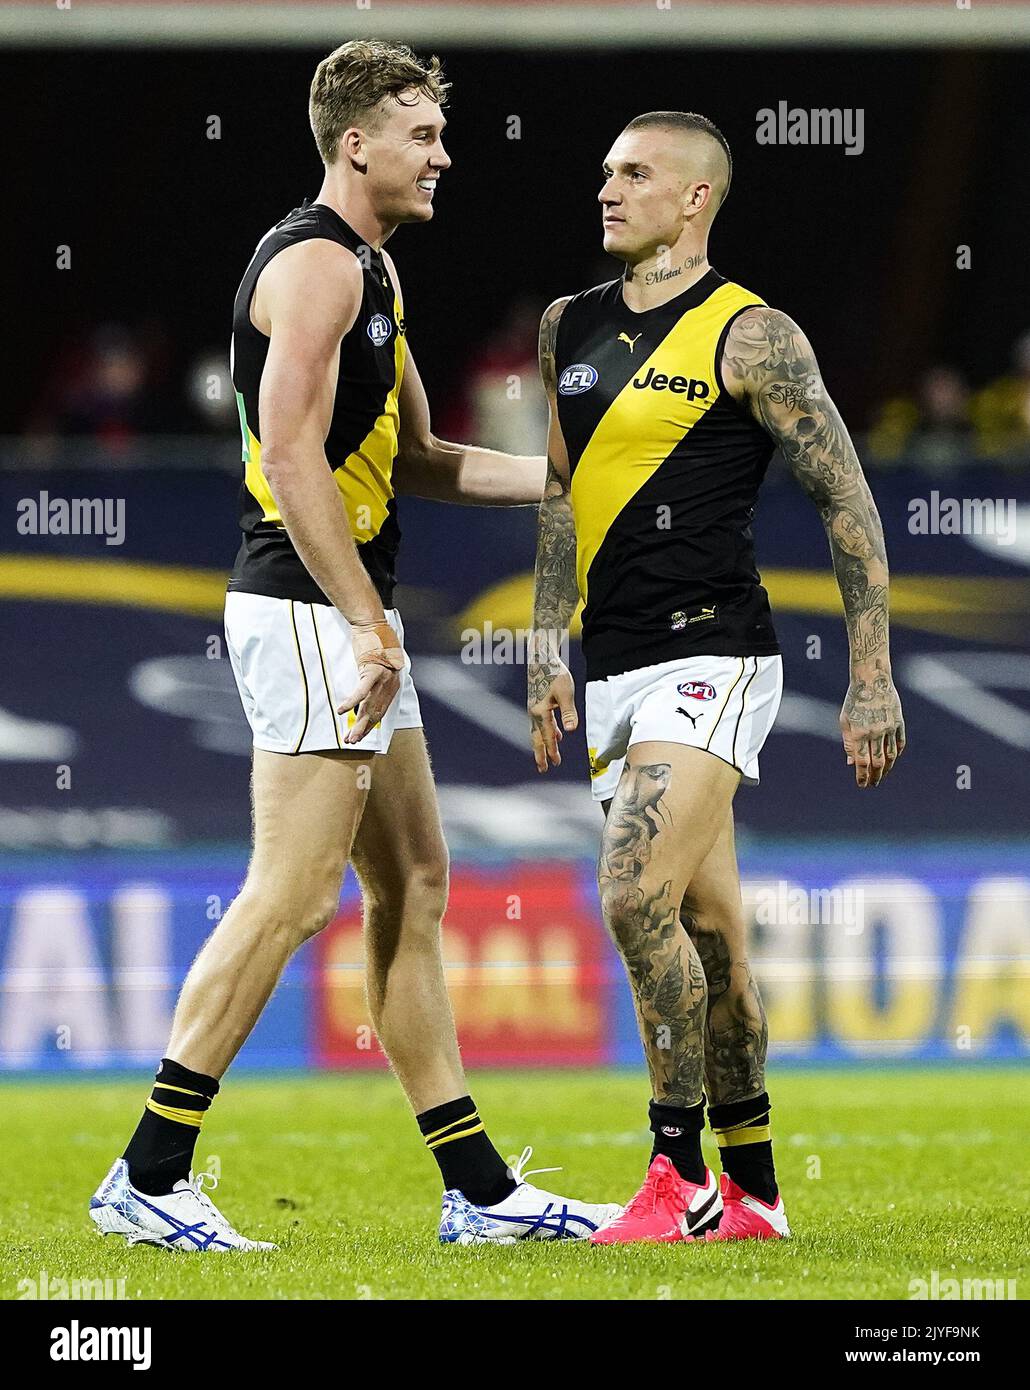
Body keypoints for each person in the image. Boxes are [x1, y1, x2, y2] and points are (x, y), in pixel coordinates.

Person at [89, 39, 619, 1252]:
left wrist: (575, 479)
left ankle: (477, 1194)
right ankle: (150, 1169)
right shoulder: (320, 268)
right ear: (356, 143)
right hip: (310, 607)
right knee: (293, 892)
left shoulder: (371, 271)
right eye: (423, 134)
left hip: (337, 608)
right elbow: (285, 461)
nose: (443, 154)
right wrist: (369, 624)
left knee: (413, 879)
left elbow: (427, 458)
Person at [528, 110, 905, 1244]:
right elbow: (559, 490)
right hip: (616, 663)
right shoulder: (567, 325)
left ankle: (672, 1173)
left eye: (634, 174)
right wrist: (548, 638)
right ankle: (753, 1191)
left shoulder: (753, 335)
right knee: (709, 939)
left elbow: (846, 501)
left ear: (696, 198)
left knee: (631, 895)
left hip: (715, 652)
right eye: (604, 171)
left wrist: (871, 674)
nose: (609, 189)